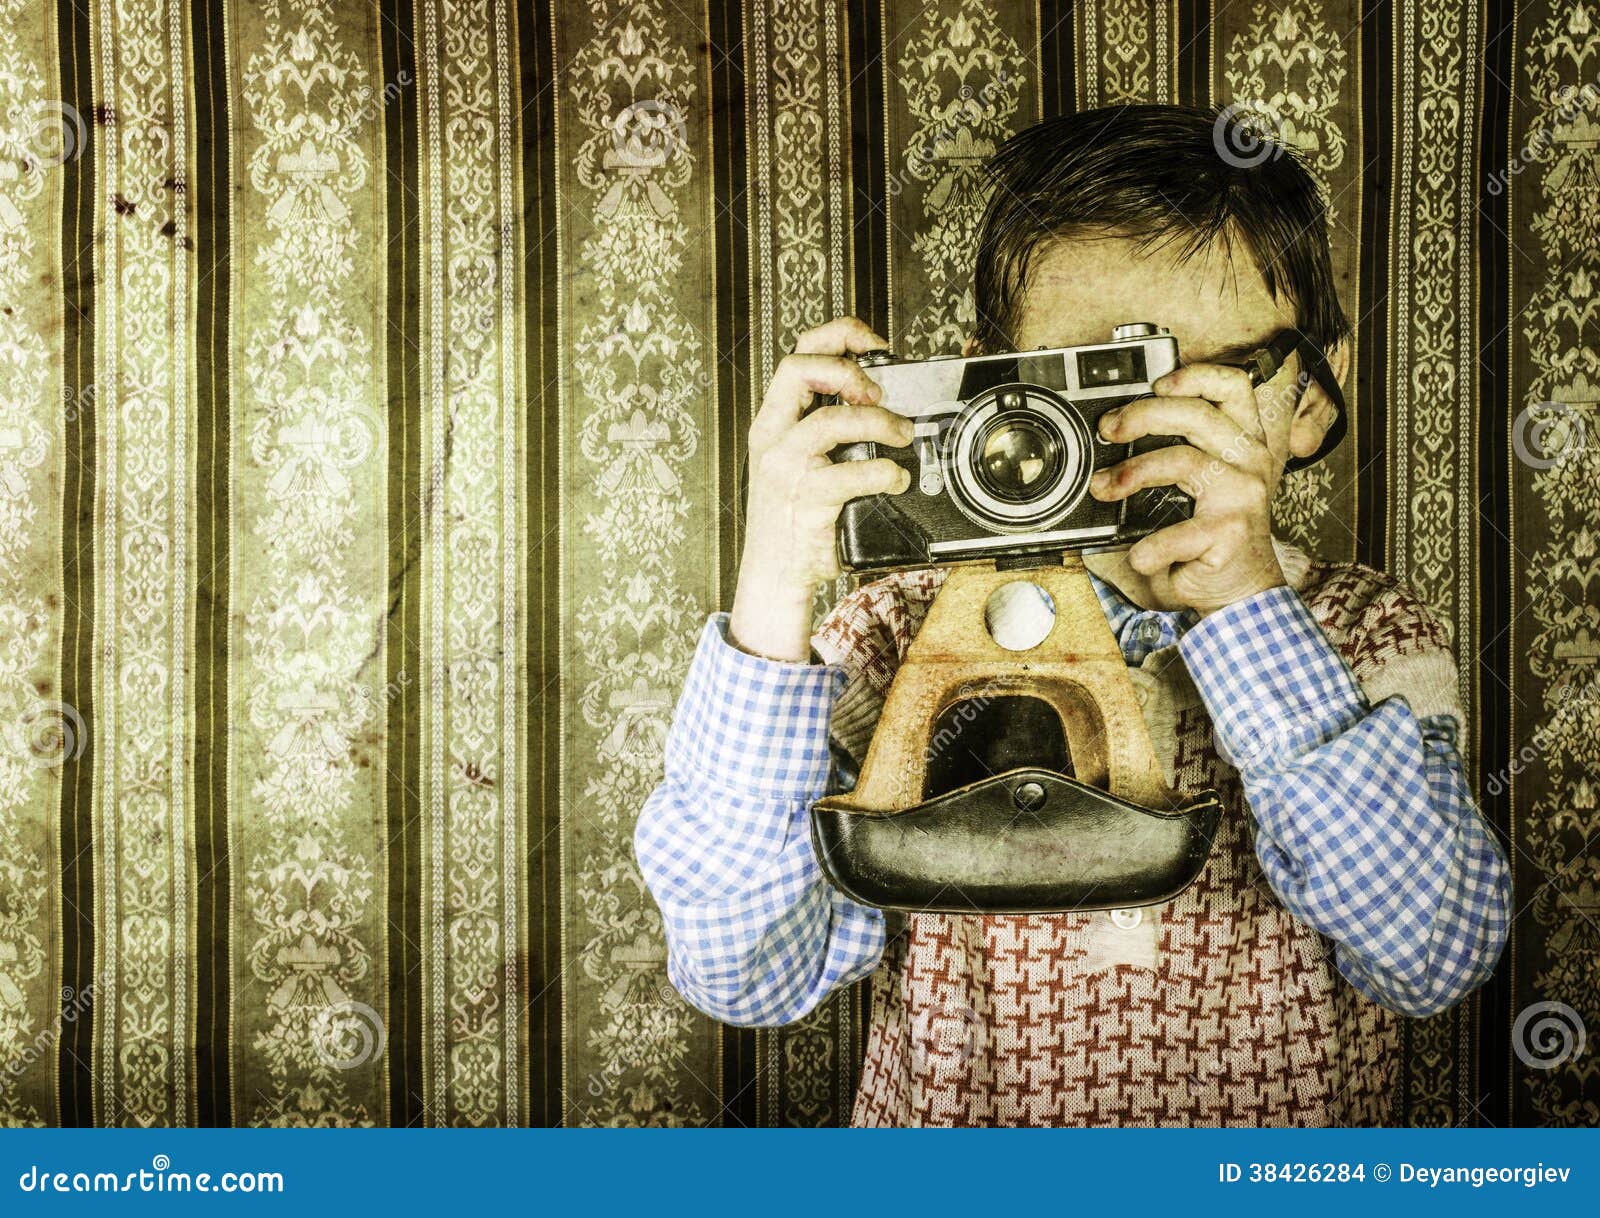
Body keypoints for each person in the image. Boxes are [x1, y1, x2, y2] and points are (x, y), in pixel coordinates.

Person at [633, 104, 1510, 1126]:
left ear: (1312, 392)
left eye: (1208, 382)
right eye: (1086, 383)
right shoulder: (891, 634)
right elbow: (747, 975)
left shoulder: (1365, 635)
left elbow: (1434, 956)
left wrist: (1249, 614)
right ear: (988, 392)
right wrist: (774, 587)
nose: (1149, 431)